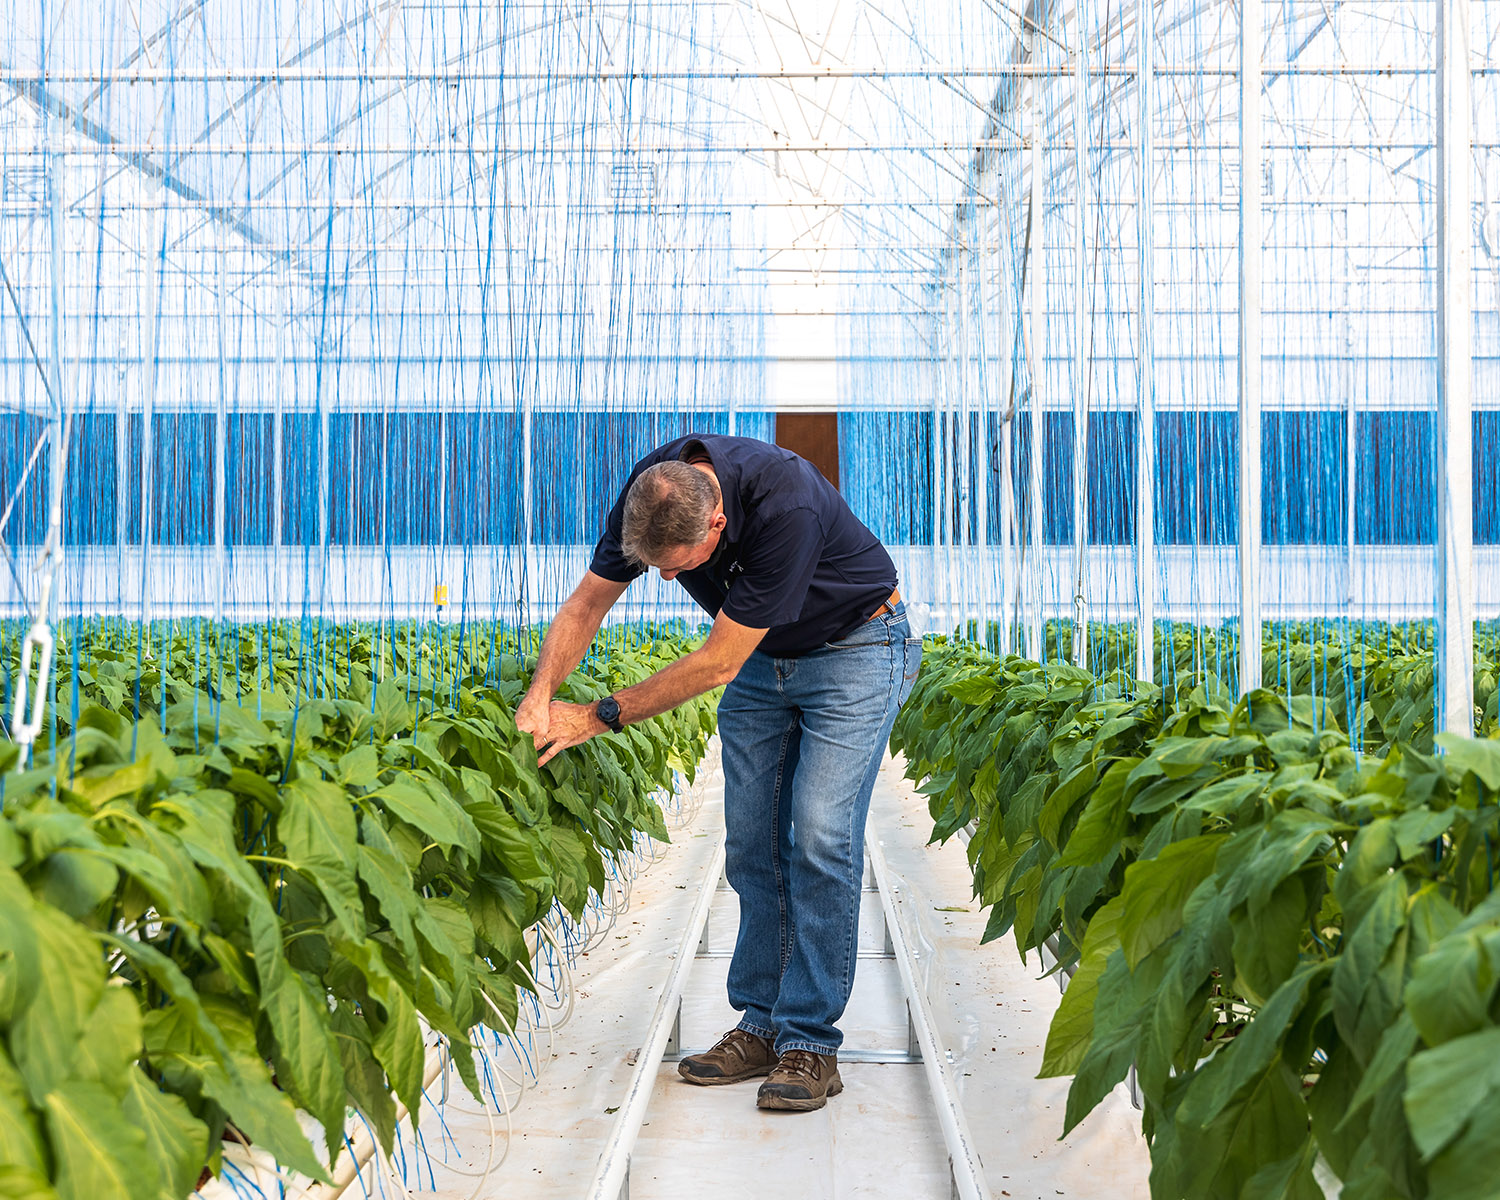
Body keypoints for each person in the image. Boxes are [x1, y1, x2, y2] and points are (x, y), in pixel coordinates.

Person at [515, 432, 922, 1113]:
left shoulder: (784, 502)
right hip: (768, 660)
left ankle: (811, 1042)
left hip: (854, 648)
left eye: (679, 567)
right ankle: (761, 1025)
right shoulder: (654, 495)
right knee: (753, 842)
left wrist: (595, 714)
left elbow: (717, 663)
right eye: (658, 568)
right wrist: (540, 694)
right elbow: (589, 601)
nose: (670, 580)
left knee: (820, 832)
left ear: (718, 522)